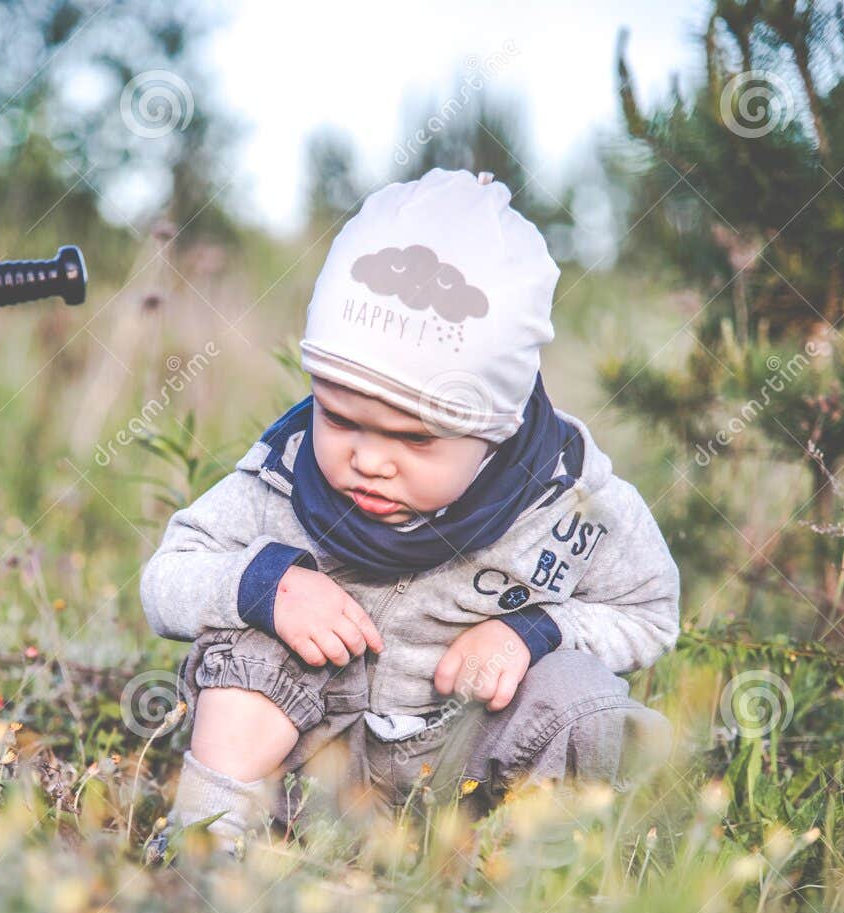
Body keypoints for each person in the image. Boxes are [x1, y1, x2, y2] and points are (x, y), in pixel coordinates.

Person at [140, 168, 679, 853]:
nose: (369, 460)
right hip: (313, 771)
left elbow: (649, 614)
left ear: (496, 429)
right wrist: (263, 587)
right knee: (252, 649)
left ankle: (530, 867)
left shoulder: (570, 504)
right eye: (340, 418)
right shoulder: (282, 478)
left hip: (469, 772)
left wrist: (536, 631)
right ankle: (207, 842)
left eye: (415, 439)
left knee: (581, 700)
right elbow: (166, 578)